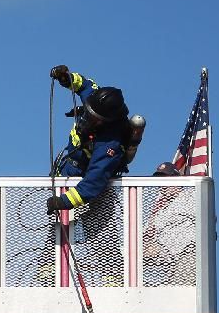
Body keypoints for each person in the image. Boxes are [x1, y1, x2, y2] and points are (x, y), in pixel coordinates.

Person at [46, 65, 145, 215]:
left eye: (95, 118)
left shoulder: (110, 145)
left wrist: (63, 202)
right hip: (65, 169)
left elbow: (94, 182)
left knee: (97, 234)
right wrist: (67, 77)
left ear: (107, 120)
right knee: (54, 232)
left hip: (90, 190)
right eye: (89, 112)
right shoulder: (95, 99)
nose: (88, 118)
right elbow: (83, 84)